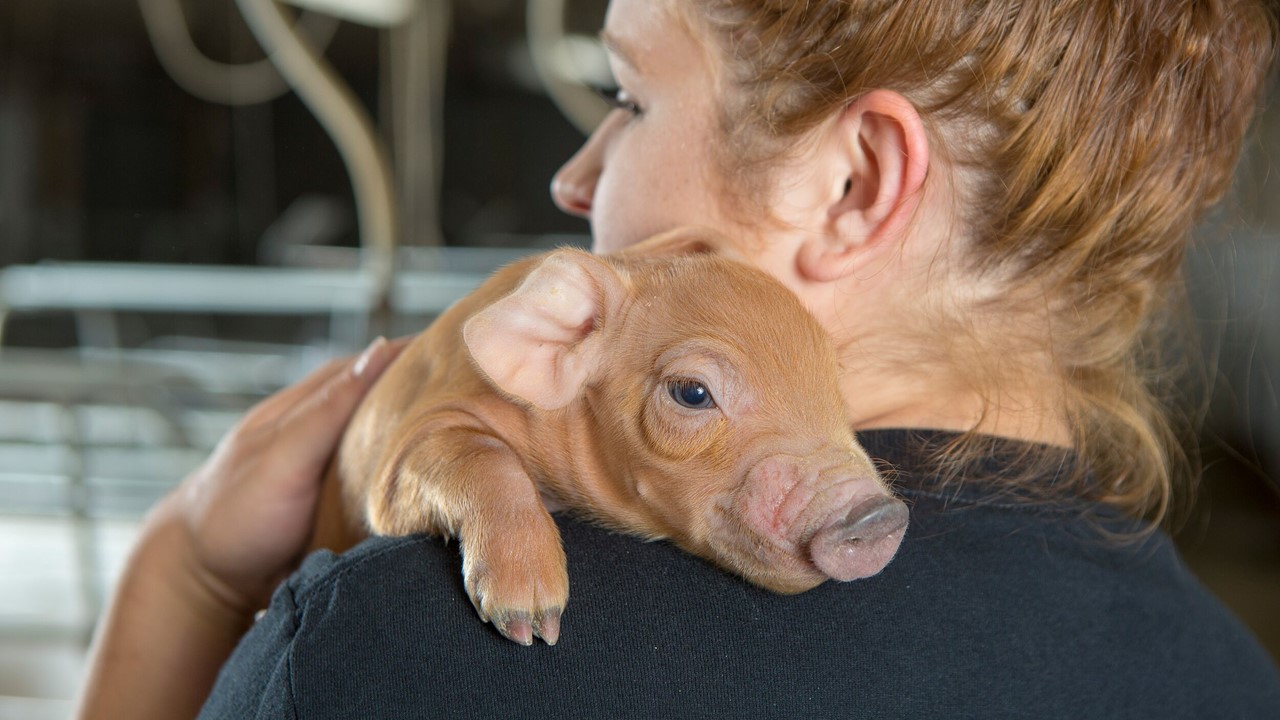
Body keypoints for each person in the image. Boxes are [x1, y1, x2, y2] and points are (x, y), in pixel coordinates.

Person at [77, 0, 1280, 717]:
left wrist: (185, 576)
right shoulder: (1230, 680)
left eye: (631, 95)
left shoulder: (409, 649)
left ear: (852, 183)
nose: (575, 178)